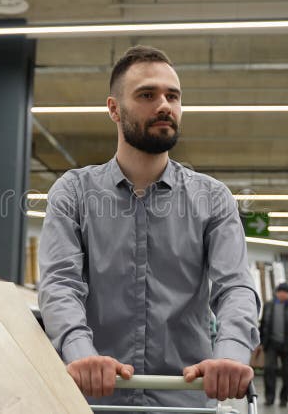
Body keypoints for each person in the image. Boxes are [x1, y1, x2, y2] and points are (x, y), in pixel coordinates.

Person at [38, 45, 261, 411]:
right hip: (97, 403)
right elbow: (60, 285)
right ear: (114, 109)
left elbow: (235, 286)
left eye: (172, 96)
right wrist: (81, 354)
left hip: (183, 402)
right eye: (147, 95)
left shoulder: (213, 198)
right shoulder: (73, 193)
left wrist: (232, 354)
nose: (164, 105)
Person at [259, 282, 288, 407]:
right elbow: (263, 325)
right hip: (271, 344)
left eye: (285, 292)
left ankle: (284, 399)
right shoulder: (269, 305)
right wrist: (261, 342)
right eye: (280, 292)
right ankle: (269, 398)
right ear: (277, 292)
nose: (282, 294)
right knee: (269, 370)